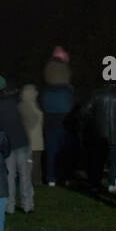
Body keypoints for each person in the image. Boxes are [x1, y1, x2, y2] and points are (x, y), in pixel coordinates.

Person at [0, 77, 33, 214]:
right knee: (25, 175)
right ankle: (27, 205)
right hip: (22, 142)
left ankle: (10, 206)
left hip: (7, 145)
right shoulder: (19, 104)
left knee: (9, 177)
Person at [40, 47, 75, 186]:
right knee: (65, 152)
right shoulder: (68, 90)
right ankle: (64, 177)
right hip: (64, 122)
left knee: (51, 152)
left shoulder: (46, 91)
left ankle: (51, 178)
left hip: (50, 122)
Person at [19, 85, 44, 187]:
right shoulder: (23, 105)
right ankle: (32, 181)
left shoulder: (35, 104)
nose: (36, 93)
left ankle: (37, 180)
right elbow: (30, 121)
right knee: (30, 161)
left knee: (36, 160)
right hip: (29, 137)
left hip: (37, 137)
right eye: (34, 92)